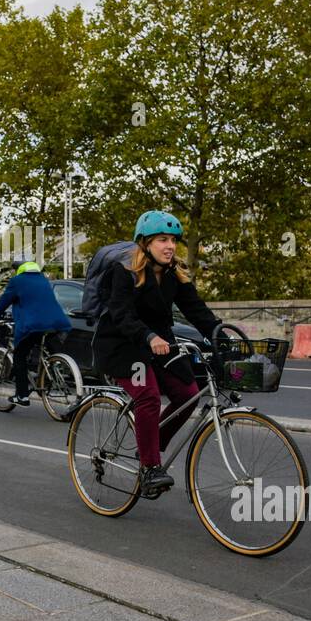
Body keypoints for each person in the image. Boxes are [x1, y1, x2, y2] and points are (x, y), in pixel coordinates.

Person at [91, 211, 221, 493]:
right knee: (148, 396)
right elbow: (121, 313)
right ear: (145, 244)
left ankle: (149, 445)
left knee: (188, 395)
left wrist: (220, 332)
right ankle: (150, 468)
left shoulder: (175, 273)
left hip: (160, 344)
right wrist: (148, 335)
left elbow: (196, 310)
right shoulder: (124, 271)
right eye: (162, 239)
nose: (170, 246)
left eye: (173, 240)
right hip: (122, 345)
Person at [0, 261, 71, 407]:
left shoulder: (17, 281)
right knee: (46, 349)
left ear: (20, 270)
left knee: (19, 356)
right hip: (58, 324)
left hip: (33, 325)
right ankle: (49, 375)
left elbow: (3, 303)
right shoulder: (43, 280)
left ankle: (22, 396)